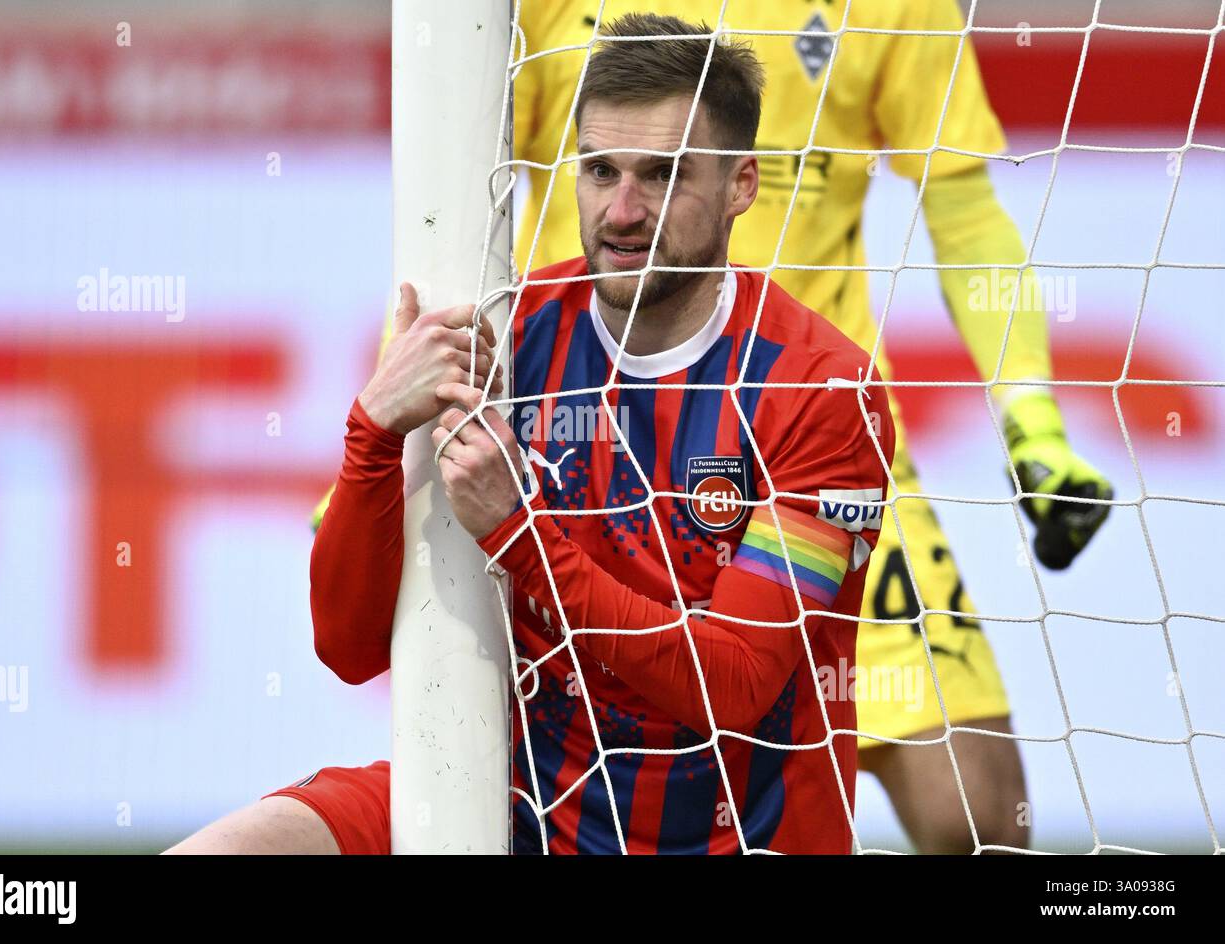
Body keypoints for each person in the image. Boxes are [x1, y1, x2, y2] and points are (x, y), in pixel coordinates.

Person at [167, 12, 894, 855]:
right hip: (506, 806)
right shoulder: (509, 336)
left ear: (741, 187)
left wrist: (519, 535)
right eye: (599, 171)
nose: (622, 212)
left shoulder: (820, 387)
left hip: (732, 836)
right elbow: (348, 647)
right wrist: (371, 433)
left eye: (662, 176)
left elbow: (730, 682)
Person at [505, 0, 1113, 853]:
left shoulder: (894, 8)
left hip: (820, 454)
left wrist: (1031, 418)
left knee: (974, 815)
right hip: (591, 454)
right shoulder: (535, 9)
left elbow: (965, 211)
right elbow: (457, 210)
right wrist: (393, 447)